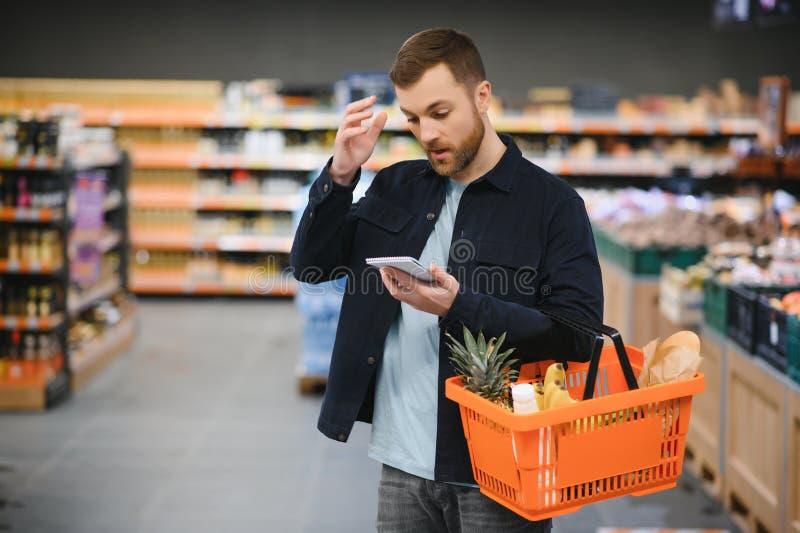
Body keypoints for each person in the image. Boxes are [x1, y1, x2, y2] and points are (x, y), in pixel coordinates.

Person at [291, 27, 603, 532]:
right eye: (413, 119)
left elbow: (579, 335)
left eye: (440, 113)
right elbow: (311, 266)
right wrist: (341, 174)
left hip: (499, 469)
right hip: (401, 464)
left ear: (482, 96)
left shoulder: (552, 207)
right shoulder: (396, 186)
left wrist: (460, 307)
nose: (427, 133)